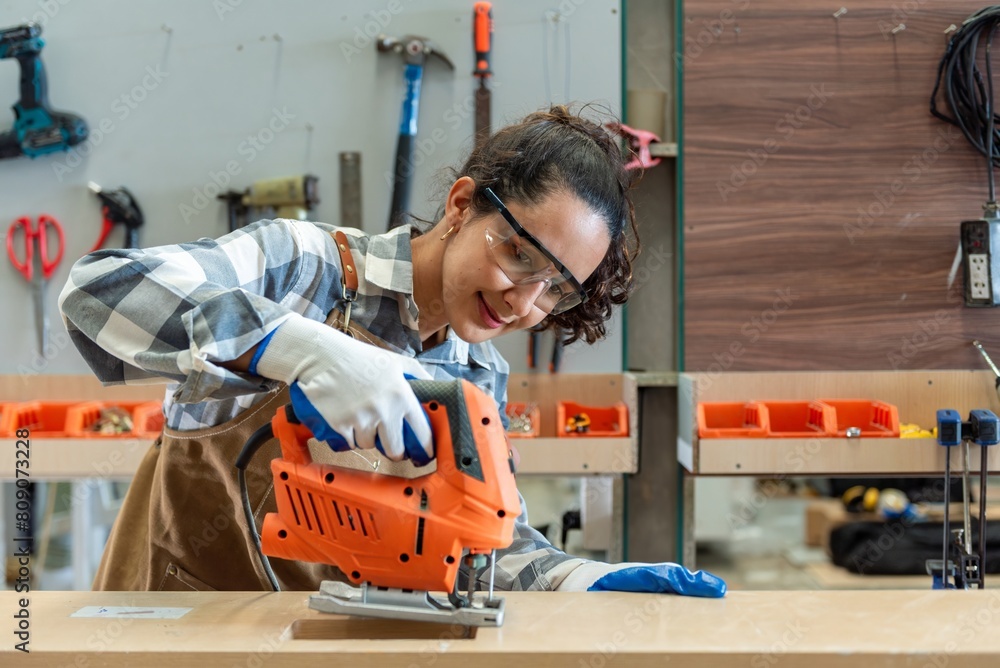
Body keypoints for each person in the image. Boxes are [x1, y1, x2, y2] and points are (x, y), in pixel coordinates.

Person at [59, 104, 725, 597]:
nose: (525, 304)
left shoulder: (475, 372)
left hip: (319, 634)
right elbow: (98, 289)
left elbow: (482, 536)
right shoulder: (303, 265)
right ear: (463, 204)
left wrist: (577, 579)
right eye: (521, 256)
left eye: (557, 290)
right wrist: (300, 347)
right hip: (179, 618)